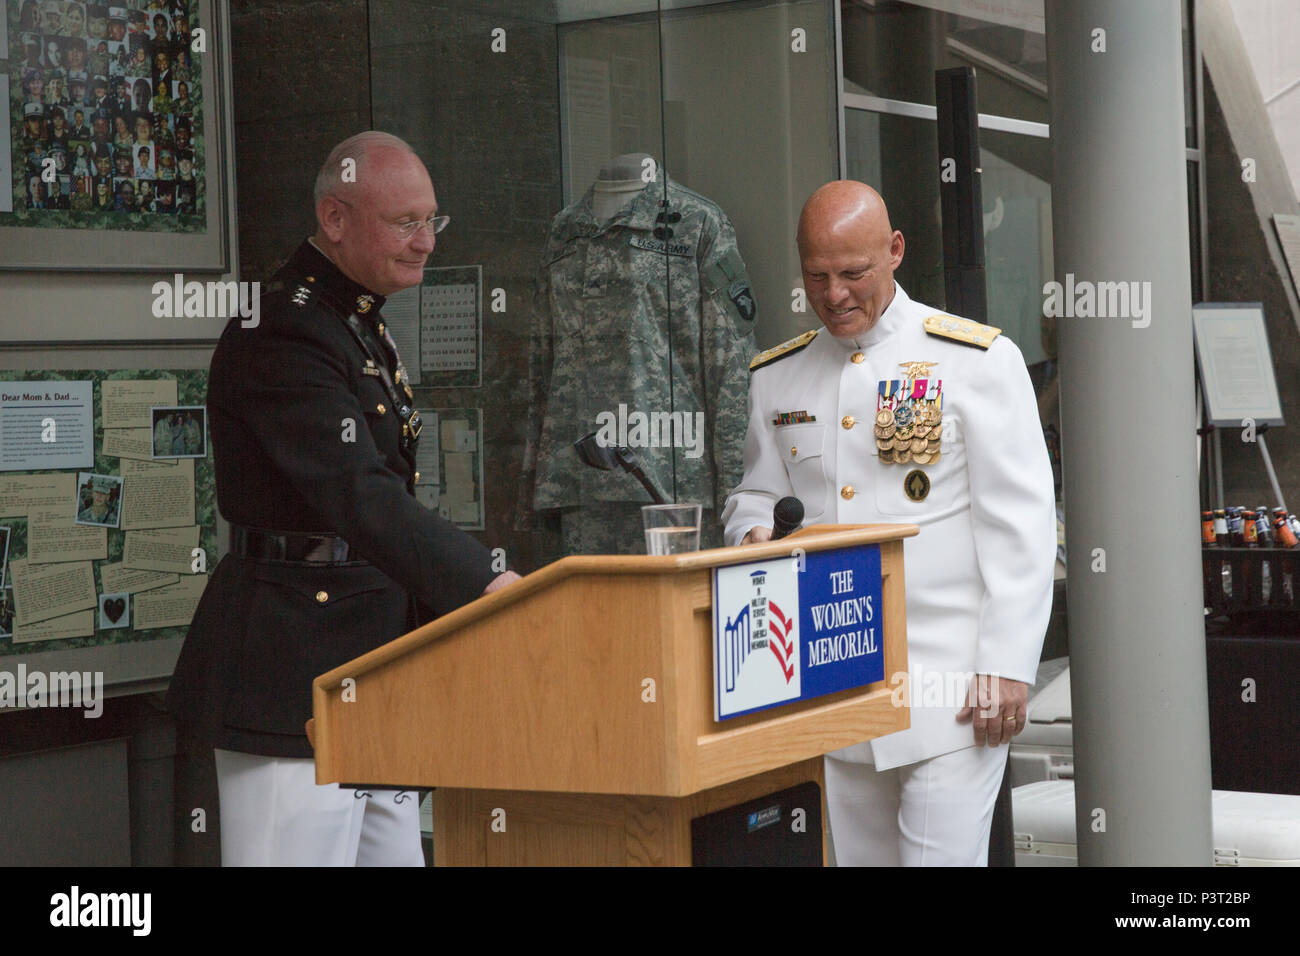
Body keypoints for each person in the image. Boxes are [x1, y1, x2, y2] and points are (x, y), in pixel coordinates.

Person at [166, 130, 521, 867]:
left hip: (371, 658)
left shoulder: (352, 320)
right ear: (334, 218)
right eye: (405, 223)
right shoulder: (285, 328)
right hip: (291, 662)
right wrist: (482, 581)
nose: (426, 242)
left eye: (433, 221)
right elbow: (358, 491)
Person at [722, 181, 1056, 866]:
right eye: (817, 276)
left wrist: (1008, 666)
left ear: (895, 251)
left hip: (952, 692)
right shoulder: (776, 378)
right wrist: (752, 535)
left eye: (853, 274)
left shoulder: (975, 361)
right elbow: (756, 494)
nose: (835, 294)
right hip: (830, 686)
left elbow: (1018, 524)